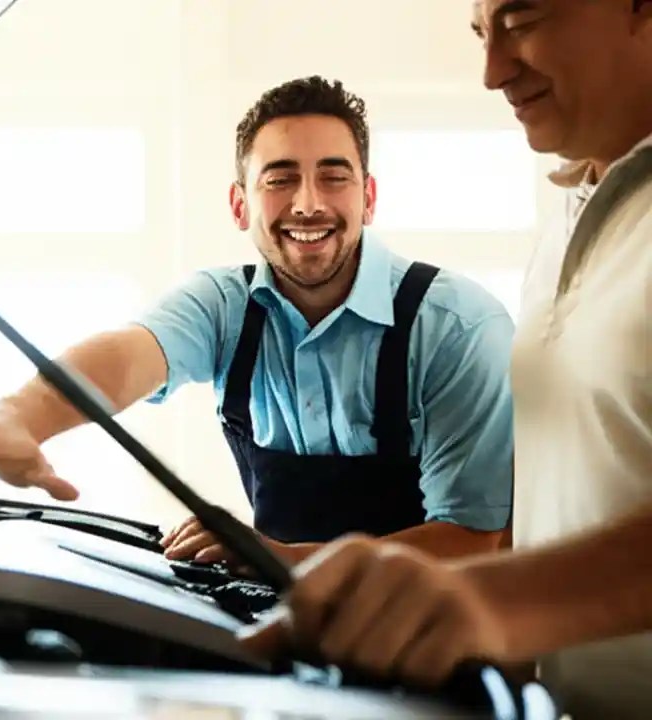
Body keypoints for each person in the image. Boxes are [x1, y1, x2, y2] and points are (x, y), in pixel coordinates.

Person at [0, 76, 516, 567]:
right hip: (300, 643)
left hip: (441, 656)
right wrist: (22, 415)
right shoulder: (224, 308)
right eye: (280, 179)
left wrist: (275, 560)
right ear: (240, 205)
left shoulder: (456, 327)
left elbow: (476, 540)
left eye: (333, 177)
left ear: (368, 197)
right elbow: (128, 355)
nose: (308, 203)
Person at [238, 1, 652, 717]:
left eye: (522, 20)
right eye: (479, 34)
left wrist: (489, 599)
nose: (492, 70)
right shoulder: (574, 212)